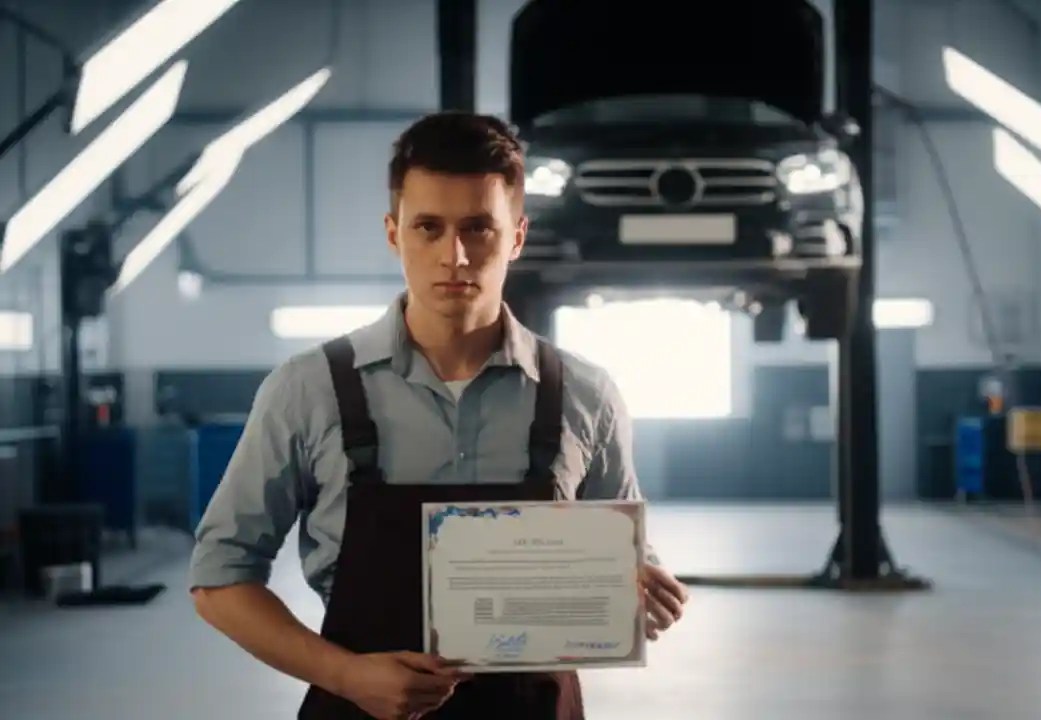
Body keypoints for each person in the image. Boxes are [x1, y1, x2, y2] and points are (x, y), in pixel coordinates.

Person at [189, 111, 689, 720]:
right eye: (428, 226)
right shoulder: (307, 390)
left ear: (518, 236)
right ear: (394, 233)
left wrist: (644, 587)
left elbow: (627, 555)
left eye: (479, 228)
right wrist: (344, 674)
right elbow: (220, 578)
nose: (454, 255)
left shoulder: (586, 395)